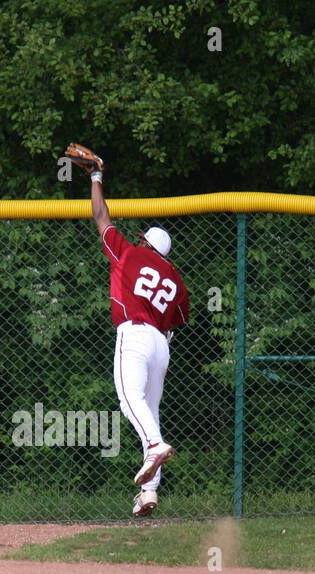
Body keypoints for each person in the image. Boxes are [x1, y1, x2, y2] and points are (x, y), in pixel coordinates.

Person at [88, 163, 190, 516]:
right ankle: (149, 493)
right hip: (162, 345)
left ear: (145, 242)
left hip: (133, 333)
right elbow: (177, 320)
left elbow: (101, 216)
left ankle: (154, 445)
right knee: (150, 410)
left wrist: (96, 178)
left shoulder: (130, 253)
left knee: (129, 397)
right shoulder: (176, 280)